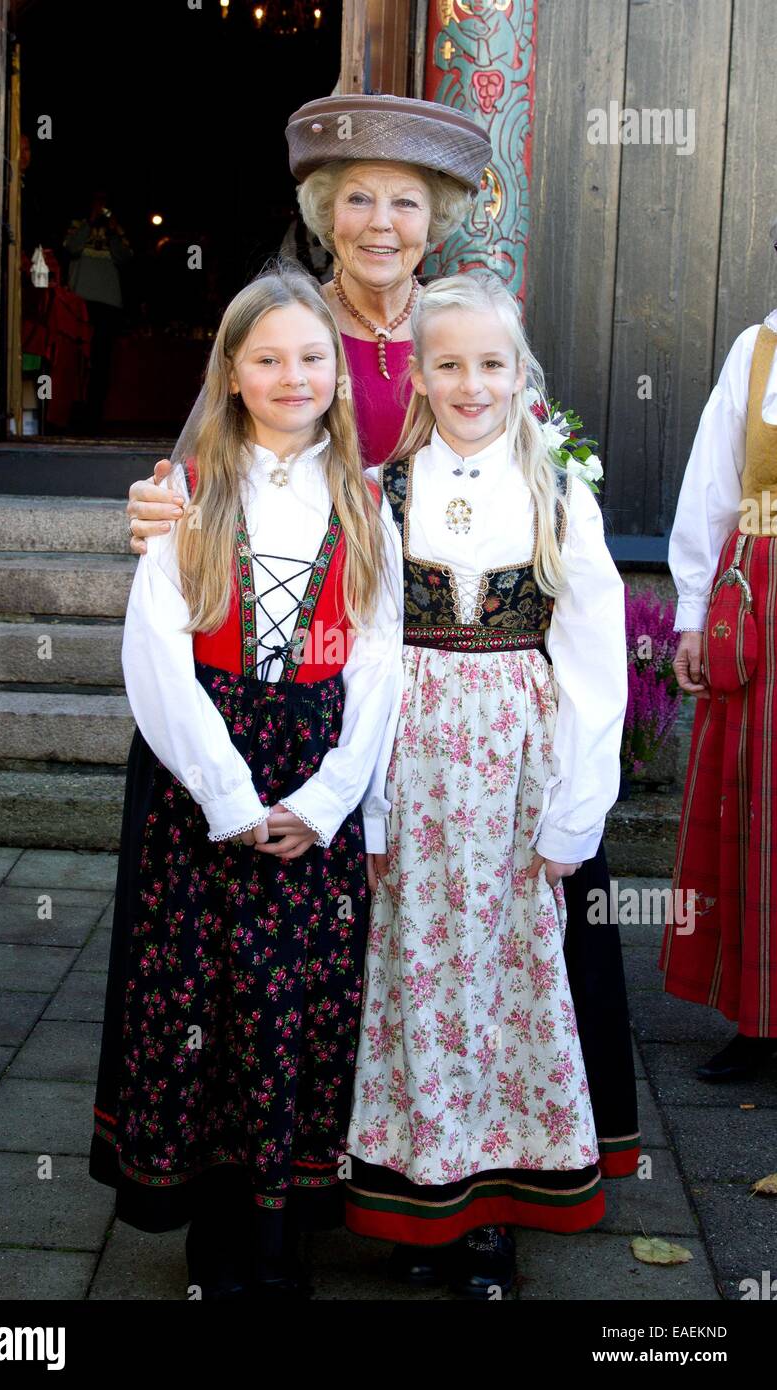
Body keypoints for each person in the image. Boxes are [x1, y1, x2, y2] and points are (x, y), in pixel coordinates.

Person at [124, 92, 641, 1202]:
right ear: (319, 212)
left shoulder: (470, 332)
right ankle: (309, 1168)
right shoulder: (283, 327)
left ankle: (478, 1163)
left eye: (403, 202)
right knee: (297, 952)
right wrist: (157, 508)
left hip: (474, 721)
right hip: (295, 693)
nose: (378, 222)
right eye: (353, 198)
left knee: (473, 945)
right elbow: (199, 480)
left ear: (435, 218)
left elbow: (545, 493)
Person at [88, 263, 405, 1299]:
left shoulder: (361, 505)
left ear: (336, 376)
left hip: (312, 775)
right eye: (265, 357)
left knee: (296, 1005)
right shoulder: (189, 496)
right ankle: (216, 1234)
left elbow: (377, 665)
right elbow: (155, 659)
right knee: (206, 1004)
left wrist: (324, 802)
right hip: (205, 783)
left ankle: (285, 1233)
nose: (291, 374)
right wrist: (227, 796)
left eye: (311, 357)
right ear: (229, 372)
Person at [344, 269, 628, 1297]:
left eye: (490, 365)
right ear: (417, 374)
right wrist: (363, 803)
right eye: (448, 363)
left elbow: (595, 658)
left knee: (507, 975)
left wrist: (575, 809)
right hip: (415, 765)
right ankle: (422, 1199)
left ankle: (493, 1212)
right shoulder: (387, 491)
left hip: (517, 764)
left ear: (520, 373)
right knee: (415, 976)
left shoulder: (557, 483)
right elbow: (372, 654)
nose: (471, 383)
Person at [661, 218, 777, 1083]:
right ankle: (760, 1017)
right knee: (752, 807)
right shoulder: (760, 349)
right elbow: (711, 484)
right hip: (760, 596)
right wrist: (693, 613)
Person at [63, 188, 133, 430]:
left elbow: (125, 258)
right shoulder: (77, 225)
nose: (101, 206)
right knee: (78, 361)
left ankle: (95, 417)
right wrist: (90, 222)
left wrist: (113, 230)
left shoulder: (117, 229)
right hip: (80, 302)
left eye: (105, 202)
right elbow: (71, 248)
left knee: (101, 363)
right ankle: (72, 415)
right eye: (97, 201)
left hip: (108, 303)